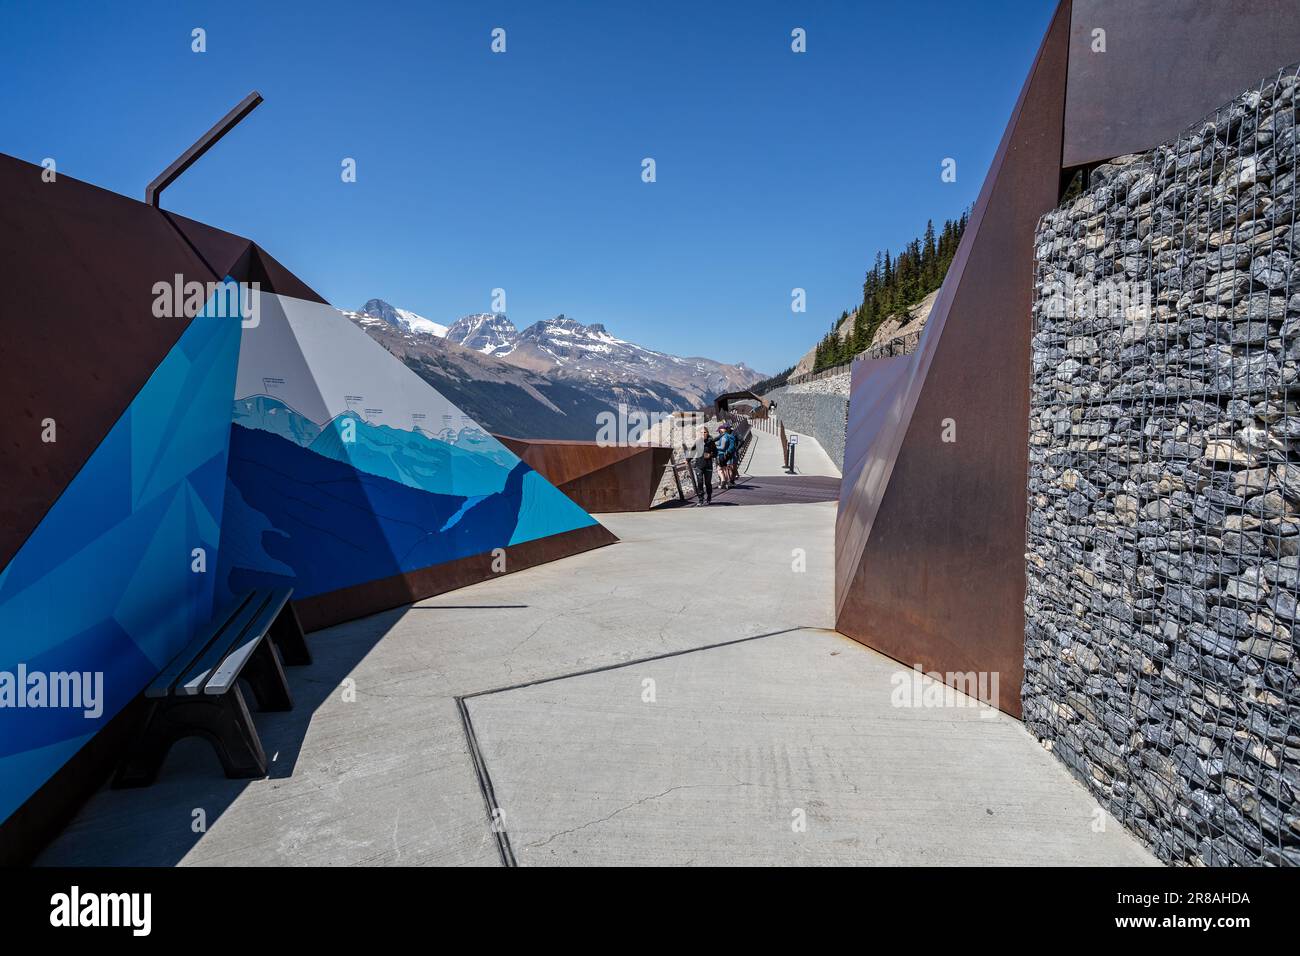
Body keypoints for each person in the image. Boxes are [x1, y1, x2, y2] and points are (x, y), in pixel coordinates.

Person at [694, 426, 717, 505]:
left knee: (707, 483)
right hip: (699, 465)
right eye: (701, 432)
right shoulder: (697, 442)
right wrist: (687, 460)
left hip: (708, 466)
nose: (703, 434)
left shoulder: (711, 442)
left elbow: (716, 453)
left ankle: (709, 497)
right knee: (700, 482)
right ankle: (700, 500)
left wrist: (710, 455)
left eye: (705, 432)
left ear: (707, 433)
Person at [717, 424, 737, 489]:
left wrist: (715, 447)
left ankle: (726, 482)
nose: (719, 433)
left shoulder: (727, 436)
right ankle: (728, 482)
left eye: (719, 431)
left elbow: (723, 447)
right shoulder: (731, 435)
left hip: (726, 454)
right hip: (730, 454)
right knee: (727, 468)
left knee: (724, 468)